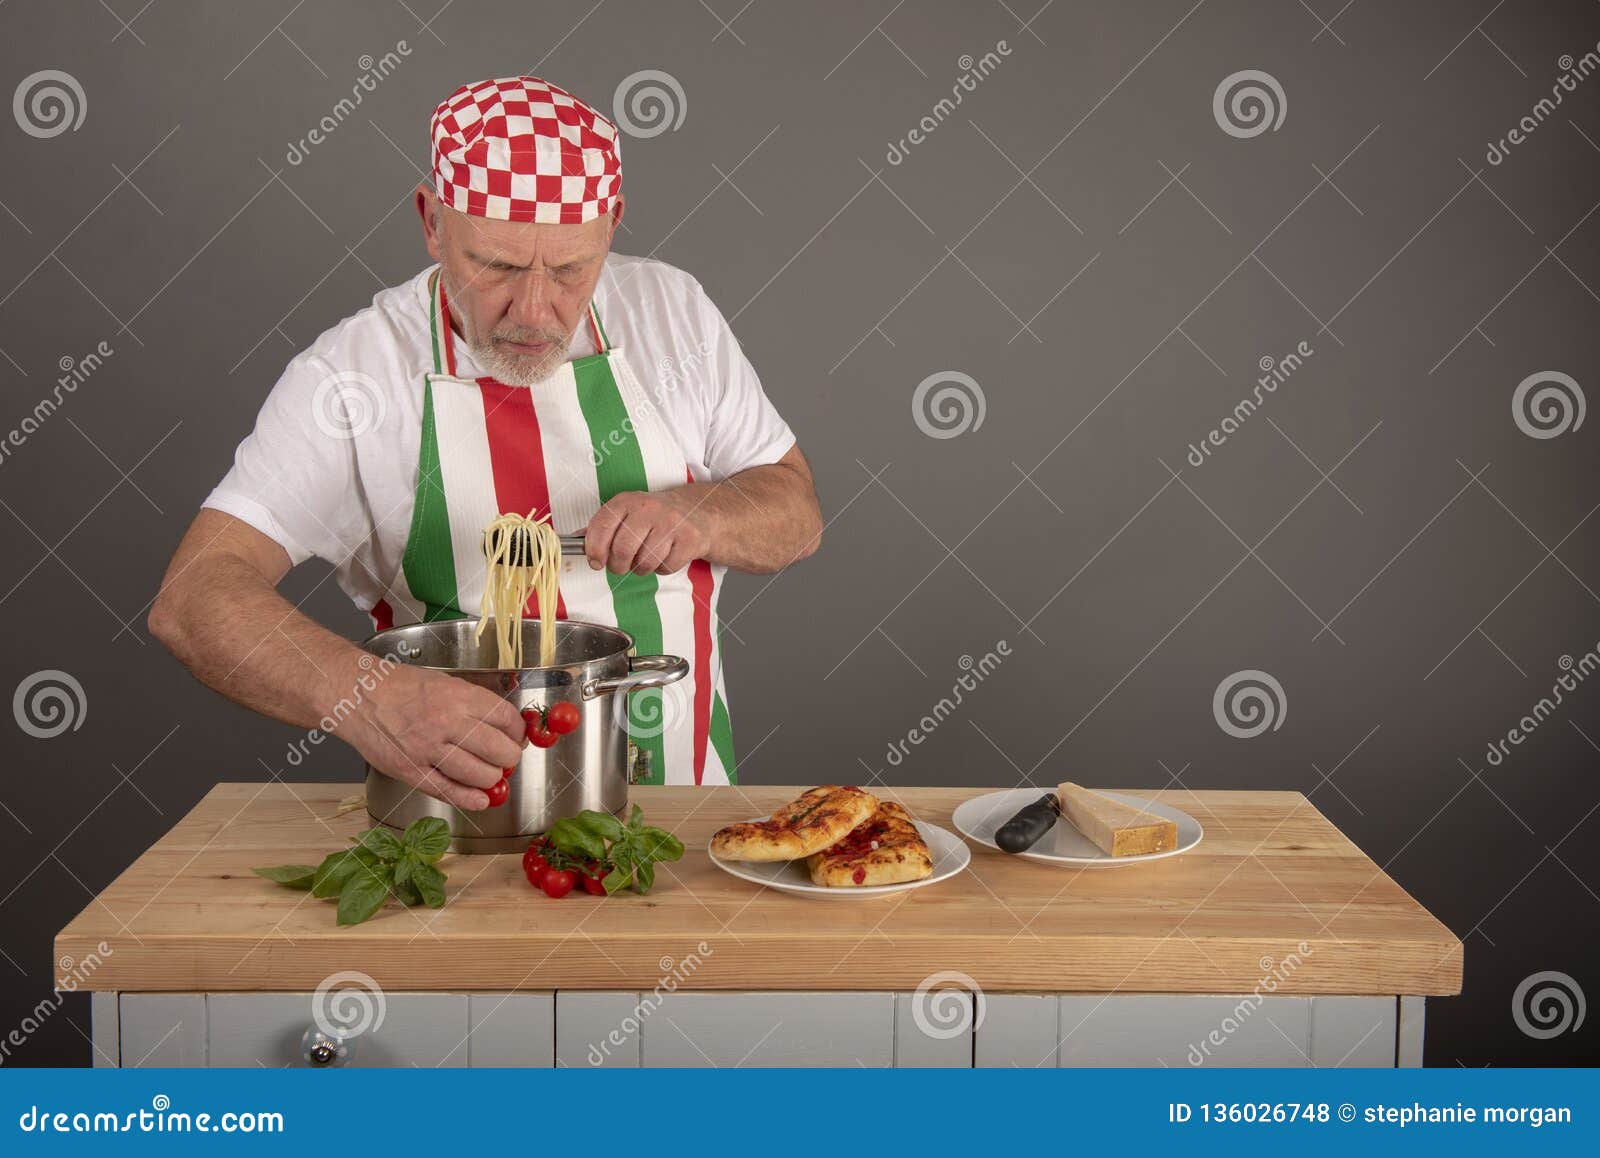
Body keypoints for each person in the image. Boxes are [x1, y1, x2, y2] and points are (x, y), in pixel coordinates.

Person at [149, 76, 821, 807]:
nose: (534, 310)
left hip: (688, 814)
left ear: (613, 223)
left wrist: (706, 513)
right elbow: (194, 597)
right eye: (495, 265)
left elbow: (795, 509)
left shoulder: (672, 312)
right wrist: (369, 697)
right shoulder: (352, 378)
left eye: (570, 269)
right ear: (432, 221)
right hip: (458, 821)